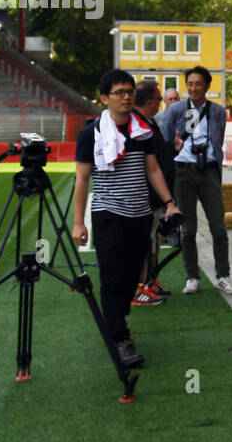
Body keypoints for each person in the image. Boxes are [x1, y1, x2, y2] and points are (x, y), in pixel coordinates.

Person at [71, 69, 181, 368]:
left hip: (140, 215)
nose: (127, 97)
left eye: (130, 91)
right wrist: (79, 222)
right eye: (120, 92)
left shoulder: (142, 130)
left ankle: (117, 317)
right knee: (112, 276)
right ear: (104, 98)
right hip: (108, 214)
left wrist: (169, 203)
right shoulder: (90, 135)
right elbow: (82, 180)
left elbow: (153, 170)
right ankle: (120, 338)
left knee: (134, 275)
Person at [161, 66, 232, 295]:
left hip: (210, 171)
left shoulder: (217, 111)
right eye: (190, 84)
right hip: (183, 172)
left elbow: (218, 139)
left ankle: (223, 275)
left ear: (207, 86)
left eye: (198, 84)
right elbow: (167, 141)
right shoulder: (175, 110)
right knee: (188, 229)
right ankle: (192, 277)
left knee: (218, 227)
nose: (194, 88)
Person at [131, 80, 173, 305]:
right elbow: (149, 166)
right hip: (147, 198)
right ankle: (140, 288)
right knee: (146, 244)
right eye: (158, 99)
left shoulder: (147, 122)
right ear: (150, 101)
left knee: (154, 243)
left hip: (155, 198)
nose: (161, 103)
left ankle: (149, 282)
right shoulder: (138, 125)